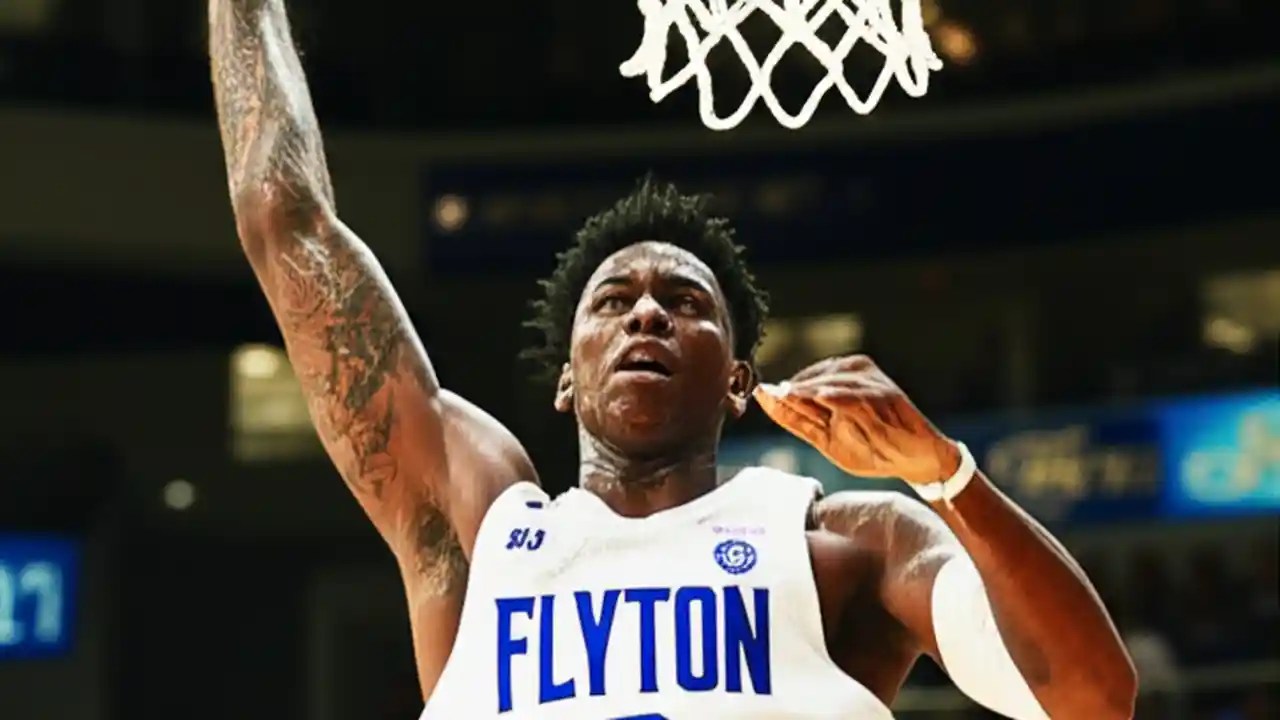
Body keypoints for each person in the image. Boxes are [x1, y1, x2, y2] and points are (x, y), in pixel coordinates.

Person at [208, 2, 1138, 717]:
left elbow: (1094, 700)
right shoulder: (480, 521)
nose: (647, 313)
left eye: (686, 305)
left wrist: (948, 476)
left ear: (739, 382)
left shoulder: (849, 542)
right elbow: (283, 223)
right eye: (613, 302)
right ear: (568, 377)